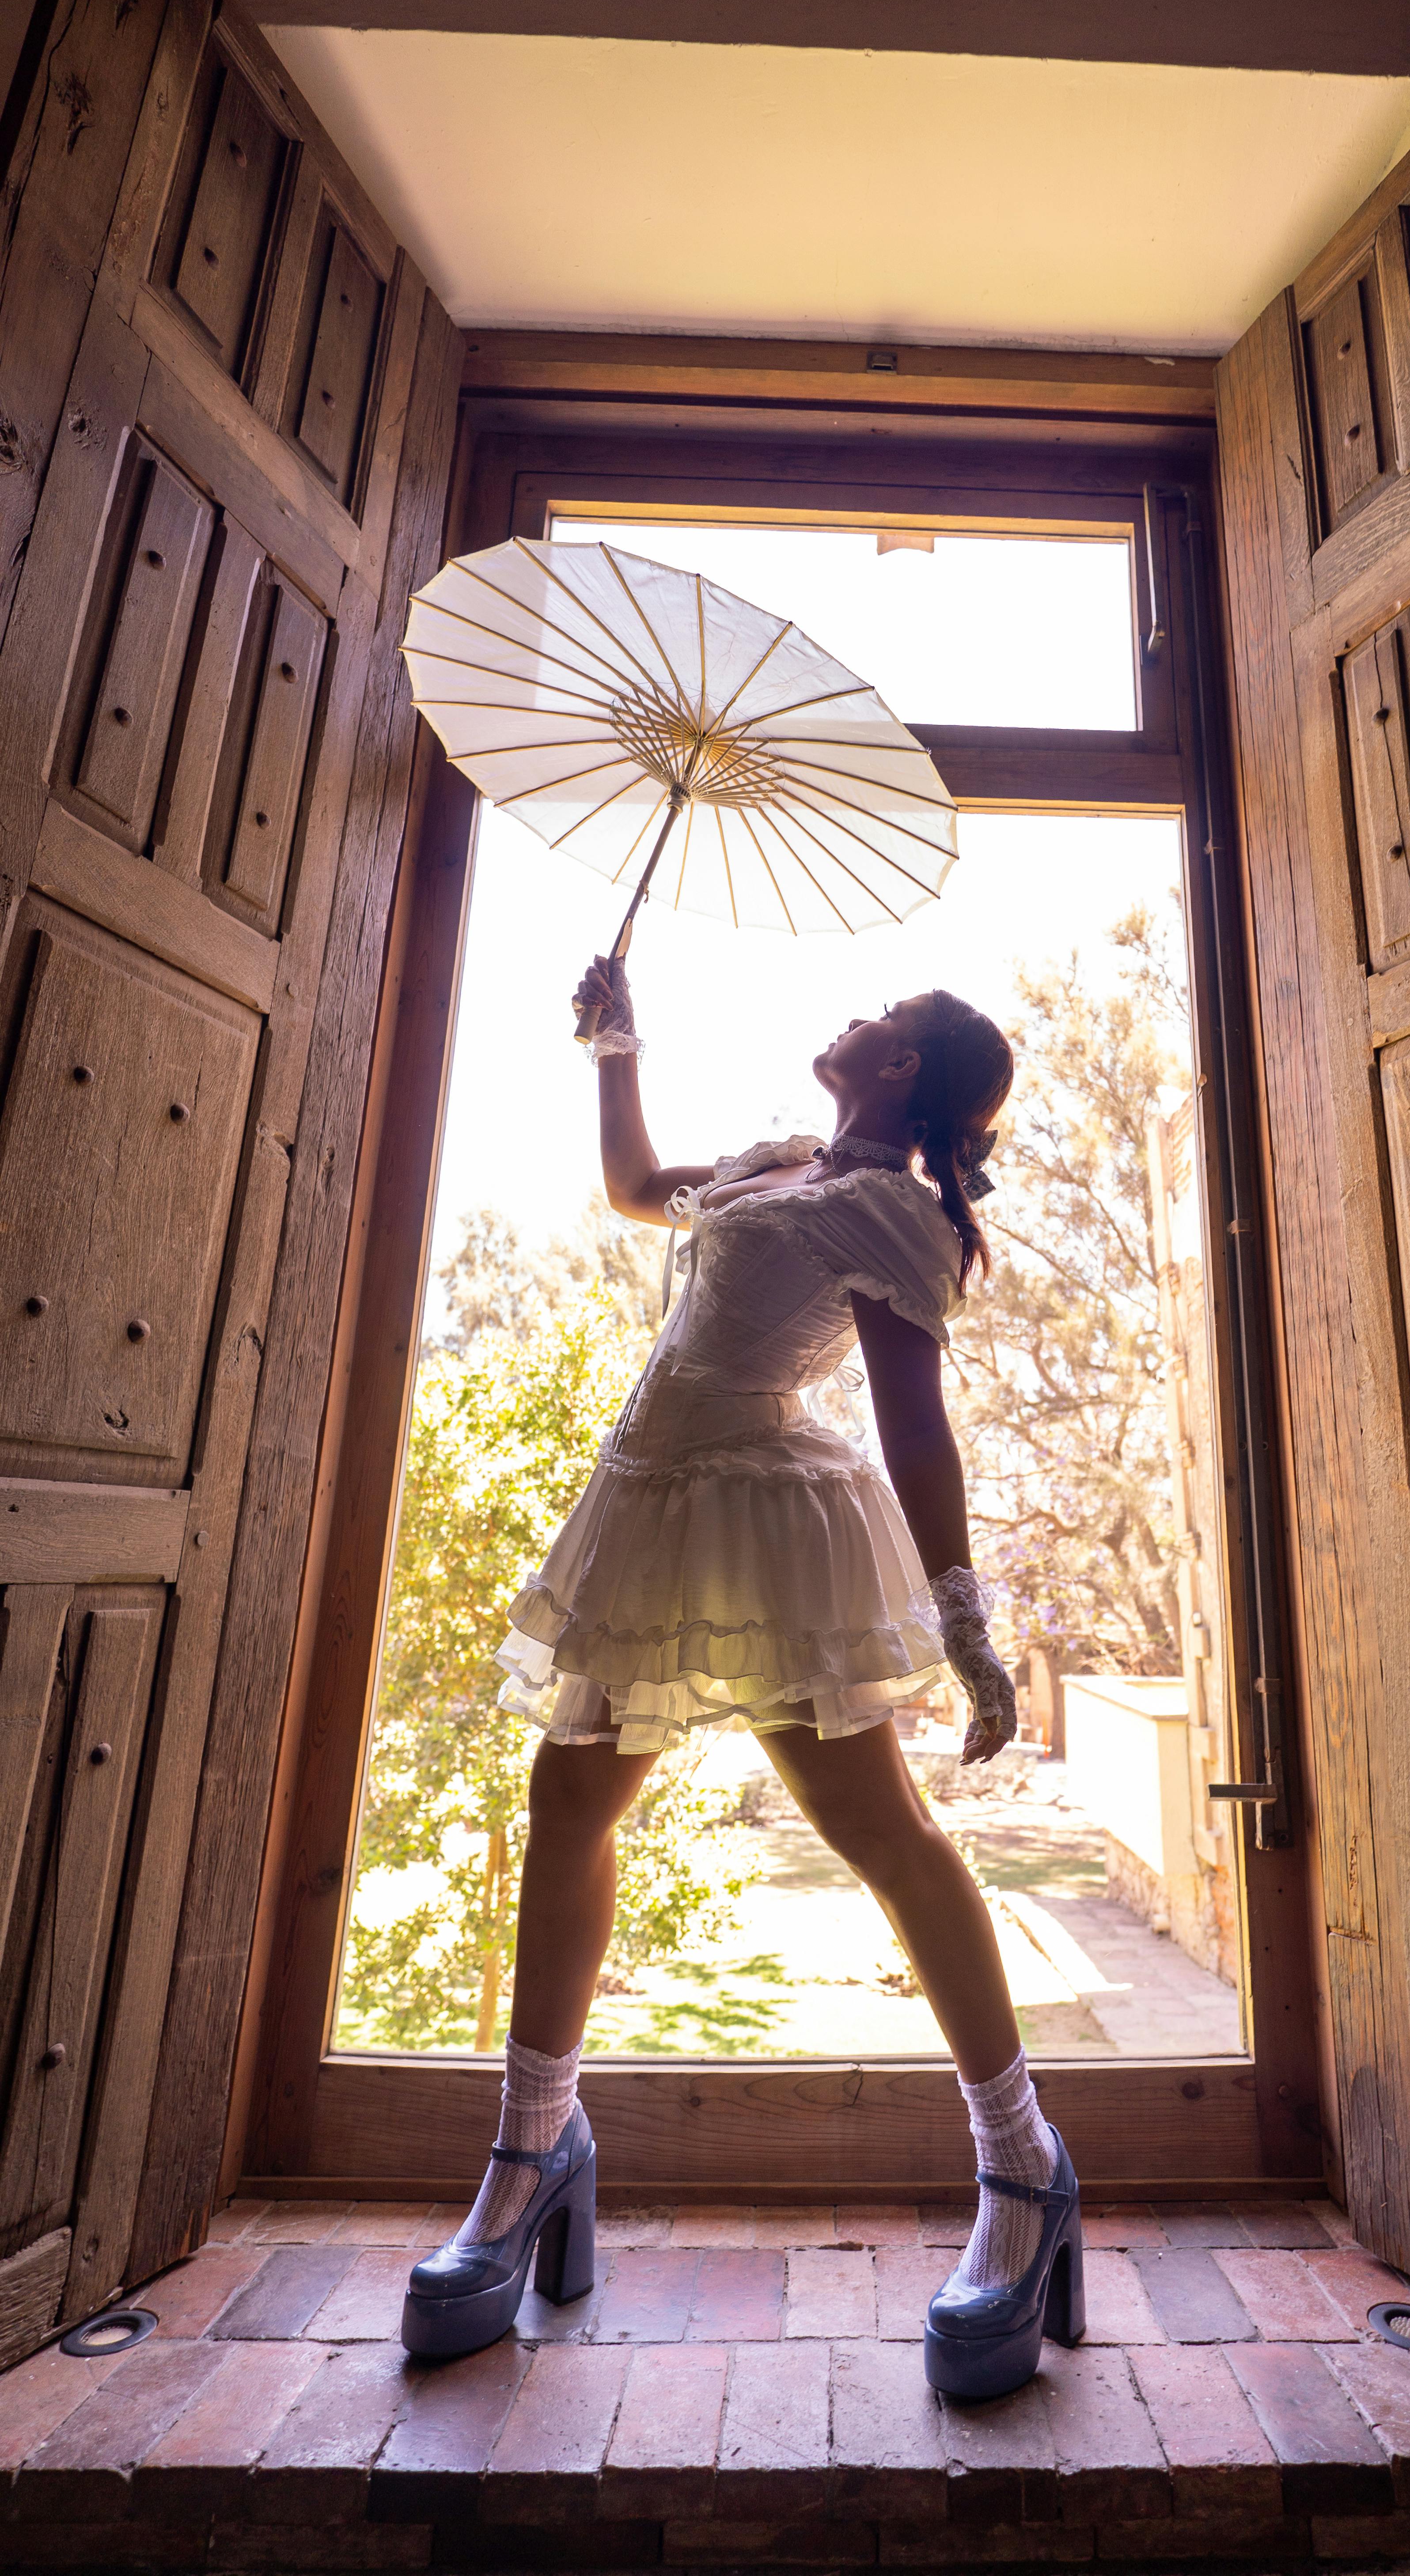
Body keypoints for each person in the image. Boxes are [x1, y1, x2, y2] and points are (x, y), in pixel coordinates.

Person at [402, 954, 1084, 2396]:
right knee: (564, 1803)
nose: (856, 1018)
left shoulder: (892, 1212)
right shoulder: (778, 1162)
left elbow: (920, 1432)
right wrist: (615, 1041)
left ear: (902, 1075)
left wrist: (964, 1626)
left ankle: (1024, 2167)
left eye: (883, 1021)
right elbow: (640, 1185)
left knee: (880, 1836)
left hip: (766, 1528)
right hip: (650, 1507)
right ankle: (534, 2153)